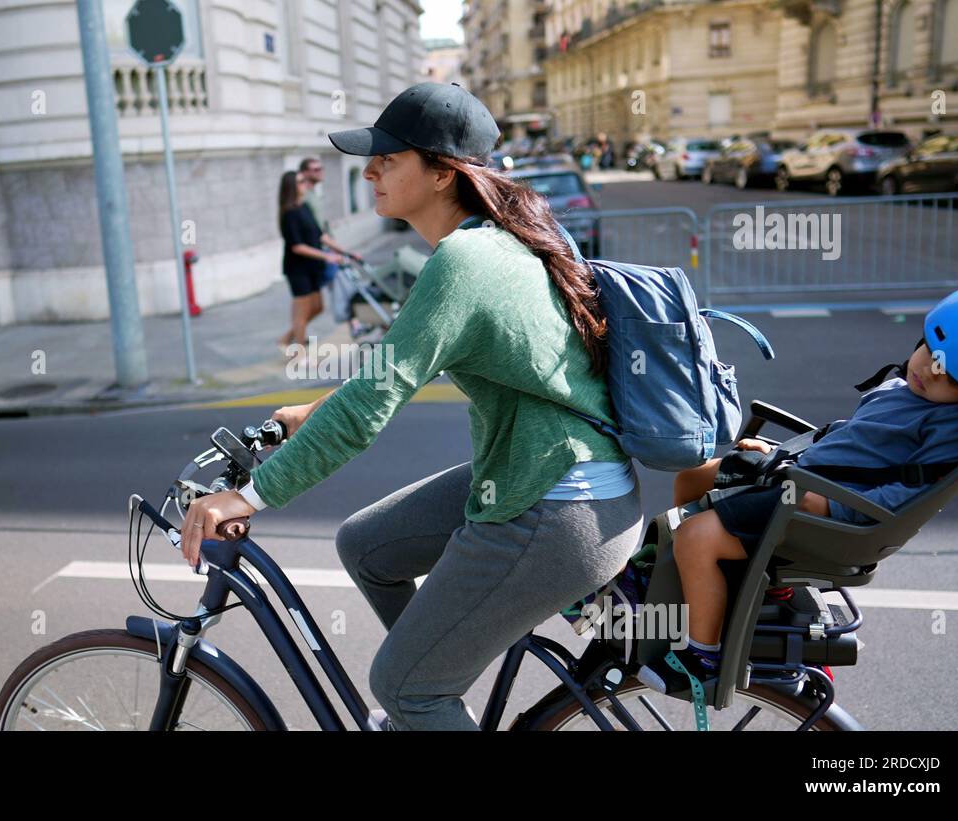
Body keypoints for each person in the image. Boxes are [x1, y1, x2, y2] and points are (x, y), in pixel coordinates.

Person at [180, 82, 645, 730]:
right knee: (367, 545)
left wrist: (248, 496)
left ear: (443, 174)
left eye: (388, 158)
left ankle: (423, 699)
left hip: (559, 504)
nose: (368, 170)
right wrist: (309, 411)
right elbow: (388, 371)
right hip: (548, 477)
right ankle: (435, 692)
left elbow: (372, 405)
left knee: (400, 685)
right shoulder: (492, 242)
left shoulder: (465, 259)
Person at [637, 284, 958, 694]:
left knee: (695, 537)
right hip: (803, 474)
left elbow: (915, 492)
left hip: (823, 505)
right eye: (931, 351)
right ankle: (697, 581)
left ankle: (703, 656)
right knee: (693, 476)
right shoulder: (905, 389)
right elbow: (853, 443)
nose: (930, 369)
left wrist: (837, 508)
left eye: (951, 376)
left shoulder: (953, 425)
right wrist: (784, 450)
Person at [276, 171, 358, 356]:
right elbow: (297, 246)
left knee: (317, 308)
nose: (305, 183)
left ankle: (285, 339)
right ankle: (300, 354)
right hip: (297, 269)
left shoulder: (304, 207)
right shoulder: (289, 214)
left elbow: (321, 235)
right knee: (302, 312)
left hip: (313, 267)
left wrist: (345, 251)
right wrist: (326, 256)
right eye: (300, 181)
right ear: (291, 187)